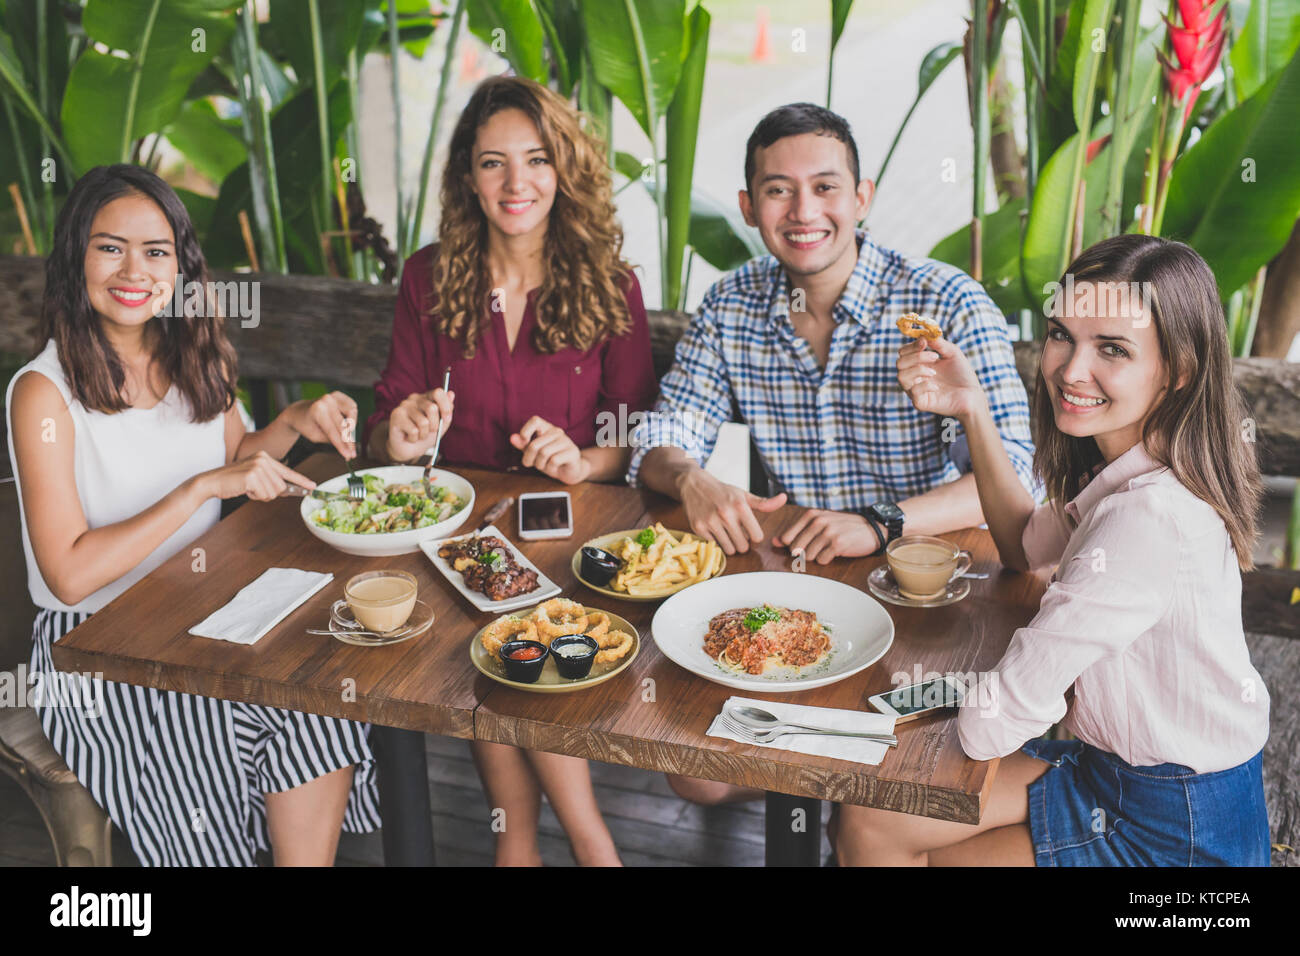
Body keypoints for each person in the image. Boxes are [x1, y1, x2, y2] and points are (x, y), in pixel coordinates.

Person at [628, 103, 1035, 804]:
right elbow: (662, 436)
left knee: (892, 783)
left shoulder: (946, 302)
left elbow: (1019, 477)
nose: (803, 209)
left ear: (861, 197)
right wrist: (691, 477)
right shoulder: (729, 305)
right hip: (797, 584)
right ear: (749, 207)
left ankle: (837, 781)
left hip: (931, 596)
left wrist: (881, 521)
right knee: (695, 781)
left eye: (825, 186)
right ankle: (823, 771)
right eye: (778, 190)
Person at [834, 234, 1271, 866]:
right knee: (870, 817)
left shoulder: (1146, 518)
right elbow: (1021, 545)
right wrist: (971, 407)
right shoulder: (1138, 471)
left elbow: (998, 720)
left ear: (1180, 369)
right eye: (1063, 334)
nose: (1070, 369)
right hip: (1111, 773)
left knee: (901, 819)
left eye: (1112, 349)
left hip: (1180, 828)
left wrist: (882, 711)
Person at [6, 164, 380, 866]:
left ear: (180, 266)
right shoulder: (43, 394)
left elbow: (237, 449)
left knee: (316, 698)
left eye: (156, 251)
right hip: (94, 647)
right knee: (211, 720)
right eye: (109, 246)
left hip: (204, 612)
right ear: (74, 257)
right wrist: (197, 489)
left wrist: (298, 419)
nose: (134, 270)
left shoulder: (191, 353)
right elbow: (66, 578)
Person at [362, 76, 656, 866]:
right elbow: (387, 412)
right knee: (492, 623)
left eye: (535, 160)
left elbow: (636, 431)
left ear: (563, 169)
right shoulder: (428, 278)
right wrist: (403, 427)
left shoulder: (609, 283)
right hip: (456, 536)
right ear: (468, 176)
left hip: (570, 534)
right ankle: (564, 846)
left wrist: (584, 457)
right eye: (493, 163)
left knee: (514, 629)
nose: (516, 184)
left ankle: (541, 844)